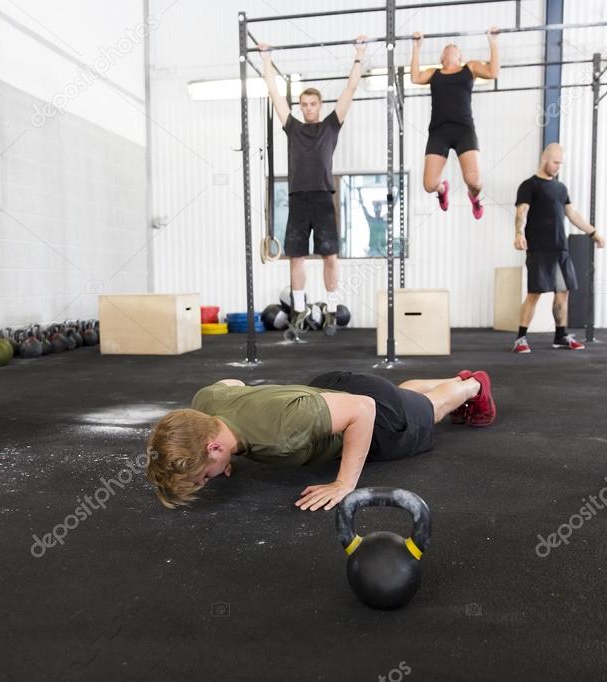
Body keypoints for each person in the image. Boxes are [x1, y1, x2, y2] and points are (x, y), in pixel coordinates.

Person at [145, 369, 497, 511]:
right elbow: (233, 385)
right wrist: (227, 455)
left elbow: (363, 410)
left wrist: (344, 484)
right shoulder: (204, 405)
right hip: (326, 392)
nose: (210, 480)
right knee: (401, 397)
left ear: (213, 447)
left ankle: (472, 384)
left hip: (367, 415)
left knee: (429, 411)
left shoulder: (282, 430)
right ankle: (449, 381)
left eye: (205, 475)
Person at [259, 37, 368, 336]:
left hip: (322, 198)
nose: (308, 108)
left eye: (312, 104)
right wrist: (267, 58)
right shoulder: (292, 127)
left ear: (319, 106)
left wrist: (359, 55)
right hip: (297, 199)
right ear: (300, 107)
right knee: (296, 257)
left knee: (330, 256)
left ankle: (331, 311)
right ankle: (297, 312)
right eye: (304, 105)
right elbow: (273, 92)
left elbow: (350, 89)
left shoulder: (331, 125)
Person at [512, 143, 604, 353]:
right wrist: (518, 233)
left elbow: (572, 214)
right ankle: (520, 338)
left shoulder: (561, 188)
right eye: (555, 162)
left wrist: (593, 232)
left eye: (561, 164)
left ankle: (561, 335)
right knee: (534, 293)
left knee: (563, 292)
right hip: (538, 249)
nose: (558, 167)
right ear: (545, 159)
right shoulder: (529, 185)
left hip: (560, 249)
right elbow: (521, 212)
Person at [411, 28, 499, 220]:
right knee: (429, 185)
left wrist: (492, 41)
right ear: (442, 57)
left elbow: (493, 72)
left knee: (474, 181)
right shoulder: (435, 73)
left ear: (460, 56)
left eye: (455, 47)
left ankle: (474, 199)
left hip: (464, 130)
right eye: (447, 48)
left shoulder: (470, 68)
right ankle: (443, 190)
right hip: (439, 132)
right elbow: (415, 77)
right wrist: (416, 47)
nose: (451, 47)